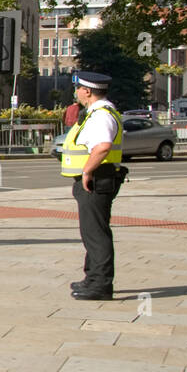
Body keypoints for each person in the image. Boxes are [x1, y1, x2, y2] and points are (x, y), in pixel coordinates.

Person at [61, 71, 125, 300]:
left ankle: (100, 285)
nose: (76, 92)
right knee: (92, 232)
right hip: (97, 178)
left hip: (97, 179)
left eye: (78, 88)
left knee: (96, 234)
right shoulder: (96, 113)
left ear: (87, 91)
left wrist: (87, 170)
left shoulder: (101, 115)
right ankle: (92, 277)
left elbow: (103, 146)